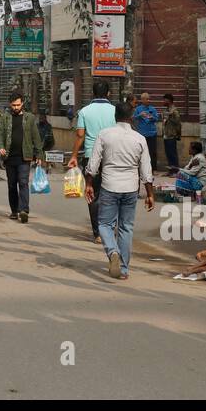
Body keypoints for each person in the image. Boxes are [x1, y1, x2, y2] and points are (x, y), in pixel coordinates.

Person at [85, 96, 155, 279]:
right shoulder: (139, 138)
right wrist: (150, 194)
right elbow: (146, 169)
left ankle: (112, 252)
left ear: (115, 116)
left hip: (109, 185)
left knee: (105, 224)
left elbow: (93, 164)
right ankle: (123, 269)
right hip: (131, 188)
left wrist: (89, 184)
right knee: (126, 227)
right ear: (131, 116)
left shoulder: (104, 134)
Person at [68, 79, 117, 244]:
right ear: (109, 93)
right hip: (112, 157)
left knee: (93, 194)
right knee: (111, 194)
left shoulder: (84, 111)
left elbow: (80, 135)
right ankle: (109, 228)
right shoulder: (115, 110)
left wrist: (74, 156)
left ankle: (97, 233)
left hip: (90, 157)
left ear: (93, 93)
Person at [0, 92, 45, 223]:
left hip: (25, 157)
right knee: (12, 185)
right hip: (9, 157)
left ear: (22, 103)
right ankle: (14, 210)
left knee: (23, 183)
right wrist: (0, 146)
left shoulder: (29, 118)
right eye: (14, 105)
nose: (16, 107)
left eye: (18, 105)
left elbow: (36, 137)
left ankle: (24, 210)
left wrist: (39, 154)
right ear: (10, 104)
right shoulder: (5, 118)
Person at [133, 92, 160, 173]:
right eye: (147, 99)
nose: (149, 100)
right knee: (141, 152)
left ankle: (153, 169)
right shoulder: (138, 109)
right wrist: (140, 115)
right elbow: (133, 118)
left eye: (149, 99)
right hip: (142, 134)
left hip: (152, 133)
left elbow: (157, 118)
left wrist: (152, 117)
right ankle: (140, 169)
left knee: (152, 152)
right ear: (142, 100)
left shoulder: (152, 108)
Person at [161, 93, 182, 171]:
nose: (163, 101)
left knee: (173, 154)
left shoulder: (174, 110)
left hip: (172, 135)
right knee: (168, 154)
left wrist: (178, 135)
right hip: (166, 135)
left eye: (164, 100)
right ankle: (170, 171)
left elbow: (178, 122)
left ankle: (175, 171)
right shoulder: (166, 110)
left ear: (169, 100)